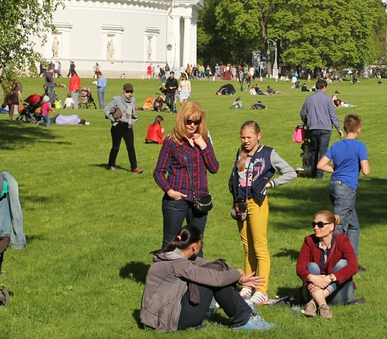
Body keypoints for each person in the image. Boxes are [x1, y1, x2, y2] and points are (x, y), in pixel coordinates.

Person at [140, 225, 274, 332]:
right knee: (213, 280)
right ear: (194, 246)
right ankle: (244, 320)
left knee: (212, 273)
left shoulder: (173, 256)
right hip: (169, 320)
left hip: (159, 317)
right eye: (201, 242)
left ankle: (244, 316)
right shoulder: (178, 263)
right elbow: (217, 279)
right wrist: (238, 273)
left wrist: (238, 277)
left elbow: (214, 264)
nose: (201, 245)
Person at [230, 120, 297, 306]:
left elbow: (290, 172)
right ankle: (249, 285)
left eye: (249, 137)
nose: (245, 141)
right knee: (247, 247)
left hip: (257, 203)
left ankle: (262, 290)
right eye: (242, 137)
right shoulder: (240, 152)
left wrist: (271, 184)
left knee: (259, 246)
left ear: (258, 136)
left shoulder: (268, 153)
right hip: (240, 204)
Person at [154, 101, 219, 253]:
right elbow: (159, 171)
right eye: (188, 121)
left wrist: (203, 146)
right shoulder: (172, 142)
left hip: (199, 201)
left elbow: (214, 168)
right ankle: (163, 276)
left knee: (196, 245)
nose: (192, 125)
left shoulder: (204, 140)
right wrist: (170, 192)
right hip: (177, 200)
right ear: (182, 120)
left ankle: (196, 276)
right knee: (170, 243)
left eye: (196, 122)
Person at [316, 114, 369, 267]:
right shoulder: (360, 146)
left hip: (333, 186)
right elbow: (366, 171)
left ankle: (352, 262)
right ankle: (329, 262)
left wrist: (334, 170)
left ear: (345, 128)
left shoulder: (337, 145)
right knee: (338, 227)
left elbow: (320, 165)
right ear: (358, 130)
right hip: (347, 190)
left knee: (353, 226)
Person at [296, 212, 364, 319]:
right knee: (312, 267)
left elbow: (353, 266)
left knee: (343, 264)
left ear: (331, 226)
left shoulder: (342, 241)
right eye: (314, 224)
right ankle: (323, 306)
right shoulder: (309, 241)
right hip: (311, 290)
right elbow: (300, 267)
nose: (315, 228)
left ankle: (313, 302)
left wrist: (330, 278)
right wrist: (312, 277)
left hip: (338, 293)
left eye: (320, 224)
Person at [300, 79, 343, 179]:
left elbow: (302, 113)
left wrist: (307, 122)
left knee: (314, 151)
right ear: (324, 87)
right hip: (326, 128)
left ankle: (314, 173)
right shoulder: (328, 99)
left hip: (313, 127)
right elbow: (333, 115)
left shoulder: (309, 98)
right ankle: (319, 175)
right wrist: (339, 128)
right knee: (323, 152)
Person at [104, 83, 141, 173]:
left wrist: (133, 120)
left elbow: (132, 114)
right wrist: (114, 119)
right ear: (123, 91)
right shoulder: (116, 99)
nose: (129, 94)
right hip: (117, 126)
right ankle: (111, 165)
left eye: (131, 92)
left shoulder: (133, 100)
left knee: (131, 147)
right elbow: (106, 110)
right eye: (127, 91)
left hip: (128, 126)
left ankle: (134, 168)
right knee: (116, 147)